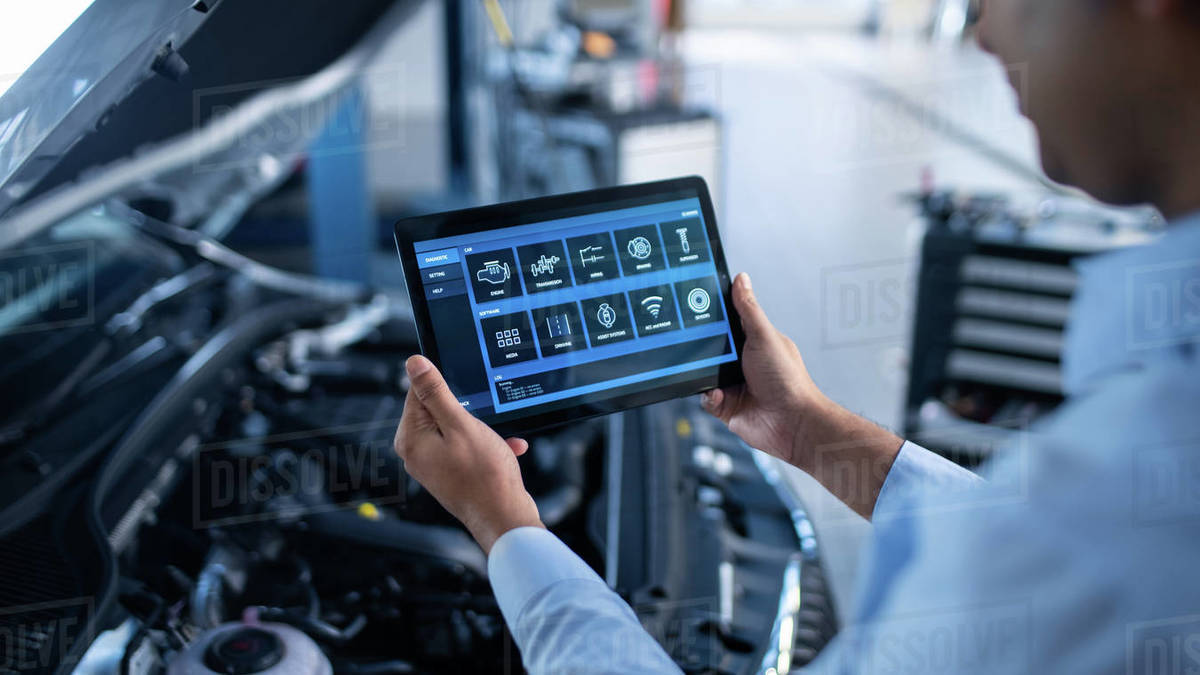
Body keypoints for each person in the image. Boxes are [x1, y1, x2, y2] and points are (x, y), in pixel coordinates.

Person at [394, 0, 1200, 671]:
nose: (985, 33)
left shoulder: (1123, 501)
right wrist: (807, 429)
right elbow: (1012, 534)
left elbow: (1044, 548)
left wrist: (505, 528)